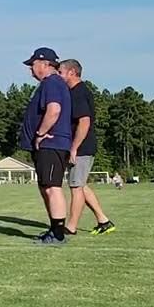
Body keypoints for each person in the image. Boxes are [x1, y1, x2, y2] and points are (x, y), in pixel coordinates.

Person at [19, 47, 73, 246]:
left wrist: (41, 134)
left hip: (52, 142)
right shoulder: (50, 84)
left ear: (44, 64)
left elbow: (54, 110)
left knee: (52, 187)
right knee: (45, 187)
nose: (31, 70)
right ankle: (53, 229)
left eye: (32, 65)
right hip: (48, 144)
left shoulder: (52, 83)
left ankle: (58, 234)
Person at [59, 59, 118, 236]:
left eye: (61, 72)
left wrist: (74, 147)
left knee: (76, 186)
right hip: (81, 146)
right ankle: (103, 221)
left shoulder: (78, 92)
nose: (59, 76)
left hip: (82, 147)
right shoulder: (75, 92)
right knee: (81, 185)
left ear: (72, 72)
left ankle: (71, 227)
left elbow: (84, 121)